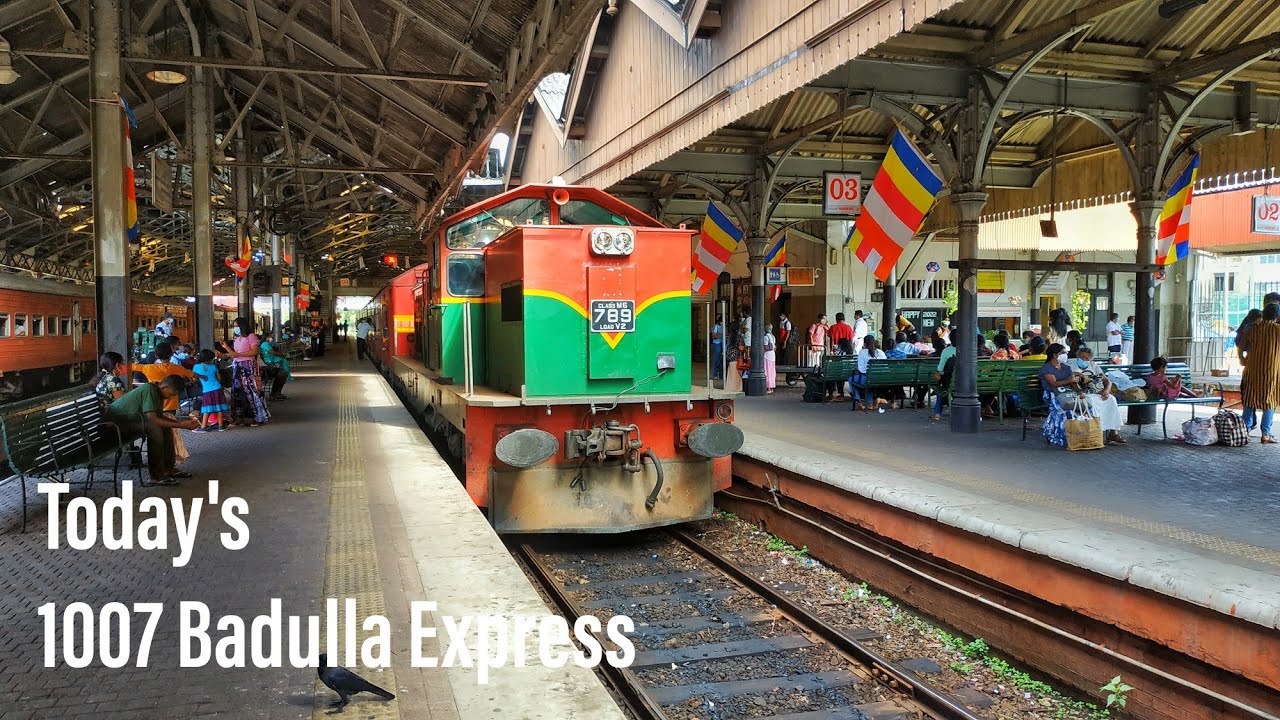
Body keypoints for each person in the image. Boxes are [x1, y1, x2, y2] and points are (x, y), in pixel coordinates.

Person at [107, 376, 200, 485]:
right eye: (171, 394)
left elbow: (159, 417)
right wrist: (181, 425)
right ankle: (156, 476)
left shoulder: (157, 391)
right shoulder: (150, 390)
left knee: (165, 427)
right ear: (164, 387)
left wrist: (180, 423)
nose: (171, 397)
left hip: (127, 422)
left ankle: (168, 469)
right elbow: (152, 419)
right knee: (154, 429)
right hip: (114, 427)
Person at [1040, 344, 1125, 446]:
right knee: (1086, 403)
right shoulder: (1049, 368)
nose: (1065, 355)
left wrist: (1080, 391)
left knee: (1110, 399)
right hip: (1055, 394)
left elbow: (1074, 382)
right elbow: (1054, 383)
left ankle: (1110, 432)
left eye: (1087, 358)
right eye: (1063, 353)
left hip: (1071, 392)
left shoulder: (1065, 367)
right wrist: (1074, 380)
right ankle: (1091, 433)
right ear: (1055, 355)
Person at [218, 317, 270, 426]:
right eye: (234, 326)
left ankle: (258, 416)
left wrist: (238, 354)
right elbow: (234, 354)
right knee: (237, 391)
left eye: (237, 326)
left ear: (243, 326)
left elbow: (254, 351)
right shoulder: (237, 339)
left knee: (251, 391)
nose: (235, 328)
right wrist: (225, 349)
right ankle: (239, 416)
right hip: (237, 366)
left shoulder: (251, 337)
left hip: (248, 367)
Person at [1241, 303, 1280, 443]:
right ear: (1277, 316)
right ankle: (1266, 434)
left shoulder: (1252, 329)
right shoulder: (1278, 330)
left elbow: (1241, 345)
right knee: (1270, 400)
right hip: (1271, 371)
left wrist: (1242, 359)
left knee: (1249, 399)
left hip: (1252, 370)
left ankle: (1245, 431)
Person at [191, 350, 229, 432]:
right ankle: (221, 425)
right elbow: (219, 378)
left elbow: (194, 379)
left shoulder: (196, 367)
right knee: (219, 407)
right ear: (209, 359)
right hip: (217, 388)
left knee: (206, 409)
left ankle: (203, 427)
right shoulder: (213, 366)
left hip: (207, 390)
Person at [852, 335, 887, 411]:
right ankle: (870, 403)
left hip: (867, 379)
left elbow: (861, 369)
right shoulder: (881, 352)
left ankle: (859, 401)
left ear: (864, 344)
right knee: (868, 379)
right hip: (880, 378)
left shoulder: (862, 352)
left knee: (852, 379)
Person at [260, 334, 292, 401]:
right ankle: (275, 393)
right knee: (282, 373)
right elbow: (273, 352)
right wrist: (282, 354)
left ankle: (277, 393)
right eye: (270, 336)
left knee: (283, 372)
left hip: (269, 363)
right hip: (267, 365)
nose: (271, 338)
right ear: (266, 337)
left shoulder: (267, 344)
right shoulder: (264, 344)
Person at [930, 335, 955, 421]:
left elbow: (940, 369)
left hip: (949, 383)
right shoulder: (970, 350)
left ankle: (937, 412)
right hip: (970, 384)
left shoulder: (946, 351)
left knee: (941, 385)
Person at [761, 323, 778, 394]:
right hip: (772, 355)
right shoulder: (773, 337)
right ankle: (771, 387)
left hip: (767, 355)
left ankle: (768, 387)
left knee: (767, 371)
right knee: (771, 371)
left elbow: (765, 347)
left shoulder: (765, 337)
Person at [710, 314, 724, 381]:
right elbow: (713, 336)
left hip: (722, 343)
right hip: (717, 343)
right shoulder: (715, 326)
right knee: (716, 359)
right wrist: (721, 335)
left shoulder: (723, 327)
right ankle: (715, 374)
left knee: (721, 359)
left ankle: (720, 374)